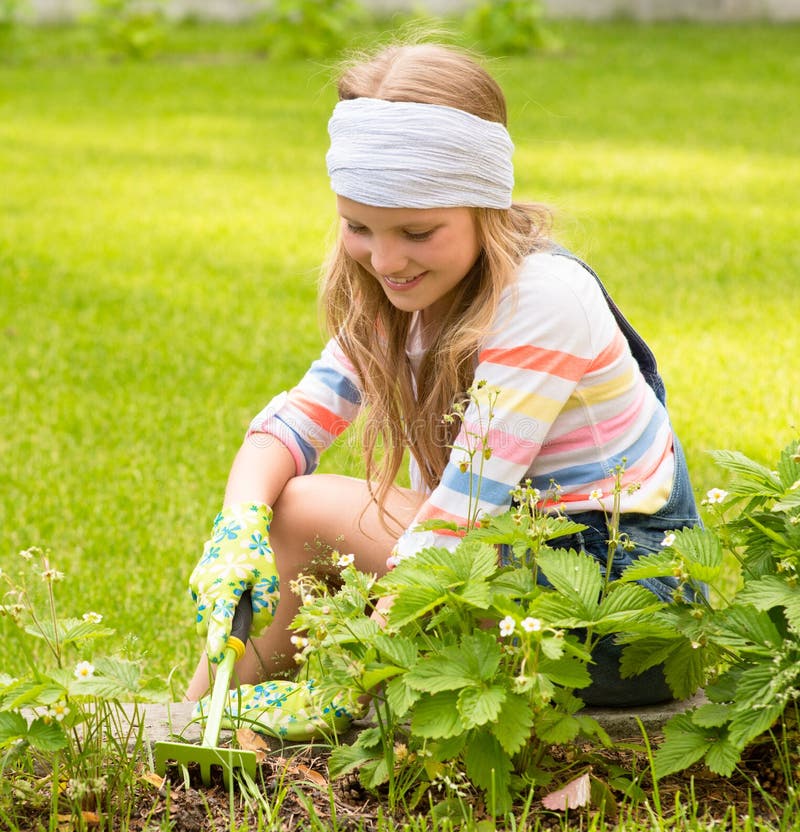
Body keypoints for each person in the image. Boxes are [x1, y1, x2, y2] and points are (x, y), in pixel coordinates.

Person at [185, 42, 700, 736]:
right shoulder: (404, 298)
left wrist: (349, 677)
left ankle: (220, 720)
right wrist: (236, 527)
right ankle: (203, 722)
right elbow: (293, 422)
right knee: (281, 509)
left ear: (483, 202)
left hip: (615, 618)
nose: (386, 259)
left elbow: (454, 524)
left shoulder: (544, 301)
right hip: (507, 567)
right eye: (358, 227)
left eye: (417, 231)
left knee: (306, 511)